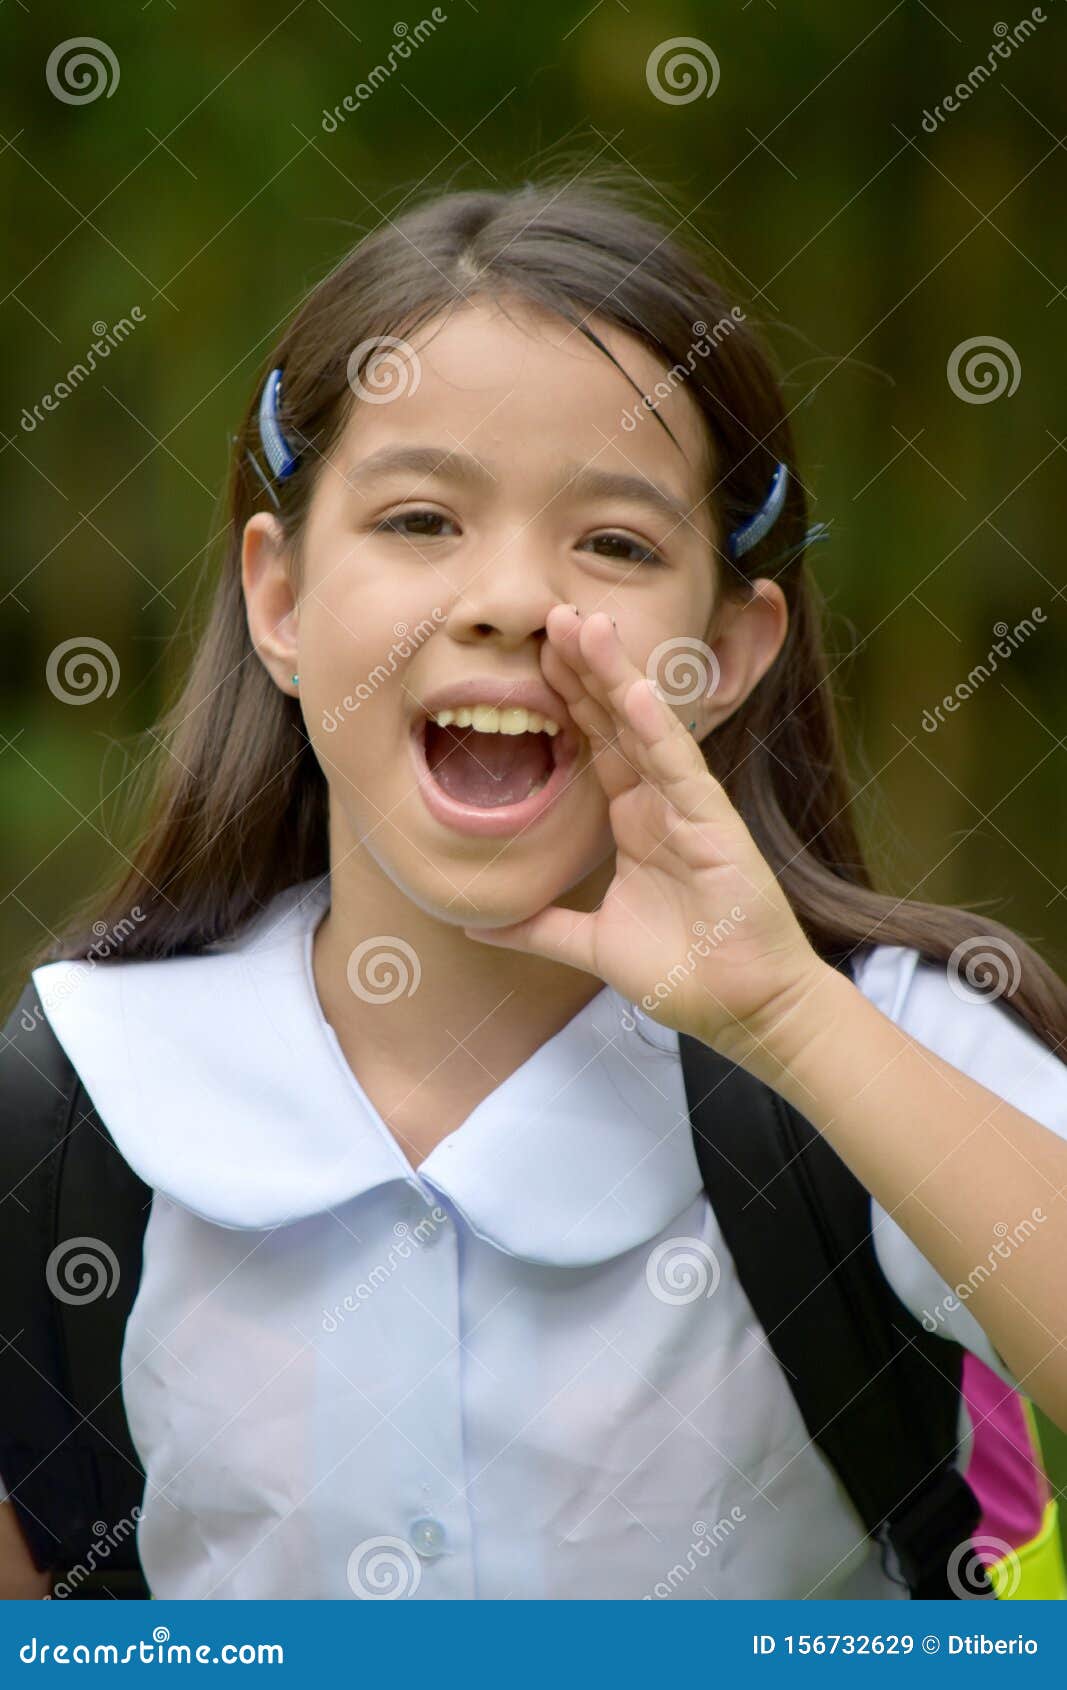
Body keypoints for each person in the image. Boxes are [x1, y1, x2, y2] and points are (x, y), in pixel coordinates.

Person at [3, 175, 1066, 1600]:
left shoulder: (889, 1040)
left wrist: (785, 1016)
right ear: (279, 600)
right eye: (422, 519)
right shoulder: (72, 1107)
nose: (510, 597)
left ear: (732, 648)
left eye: (616, 543)